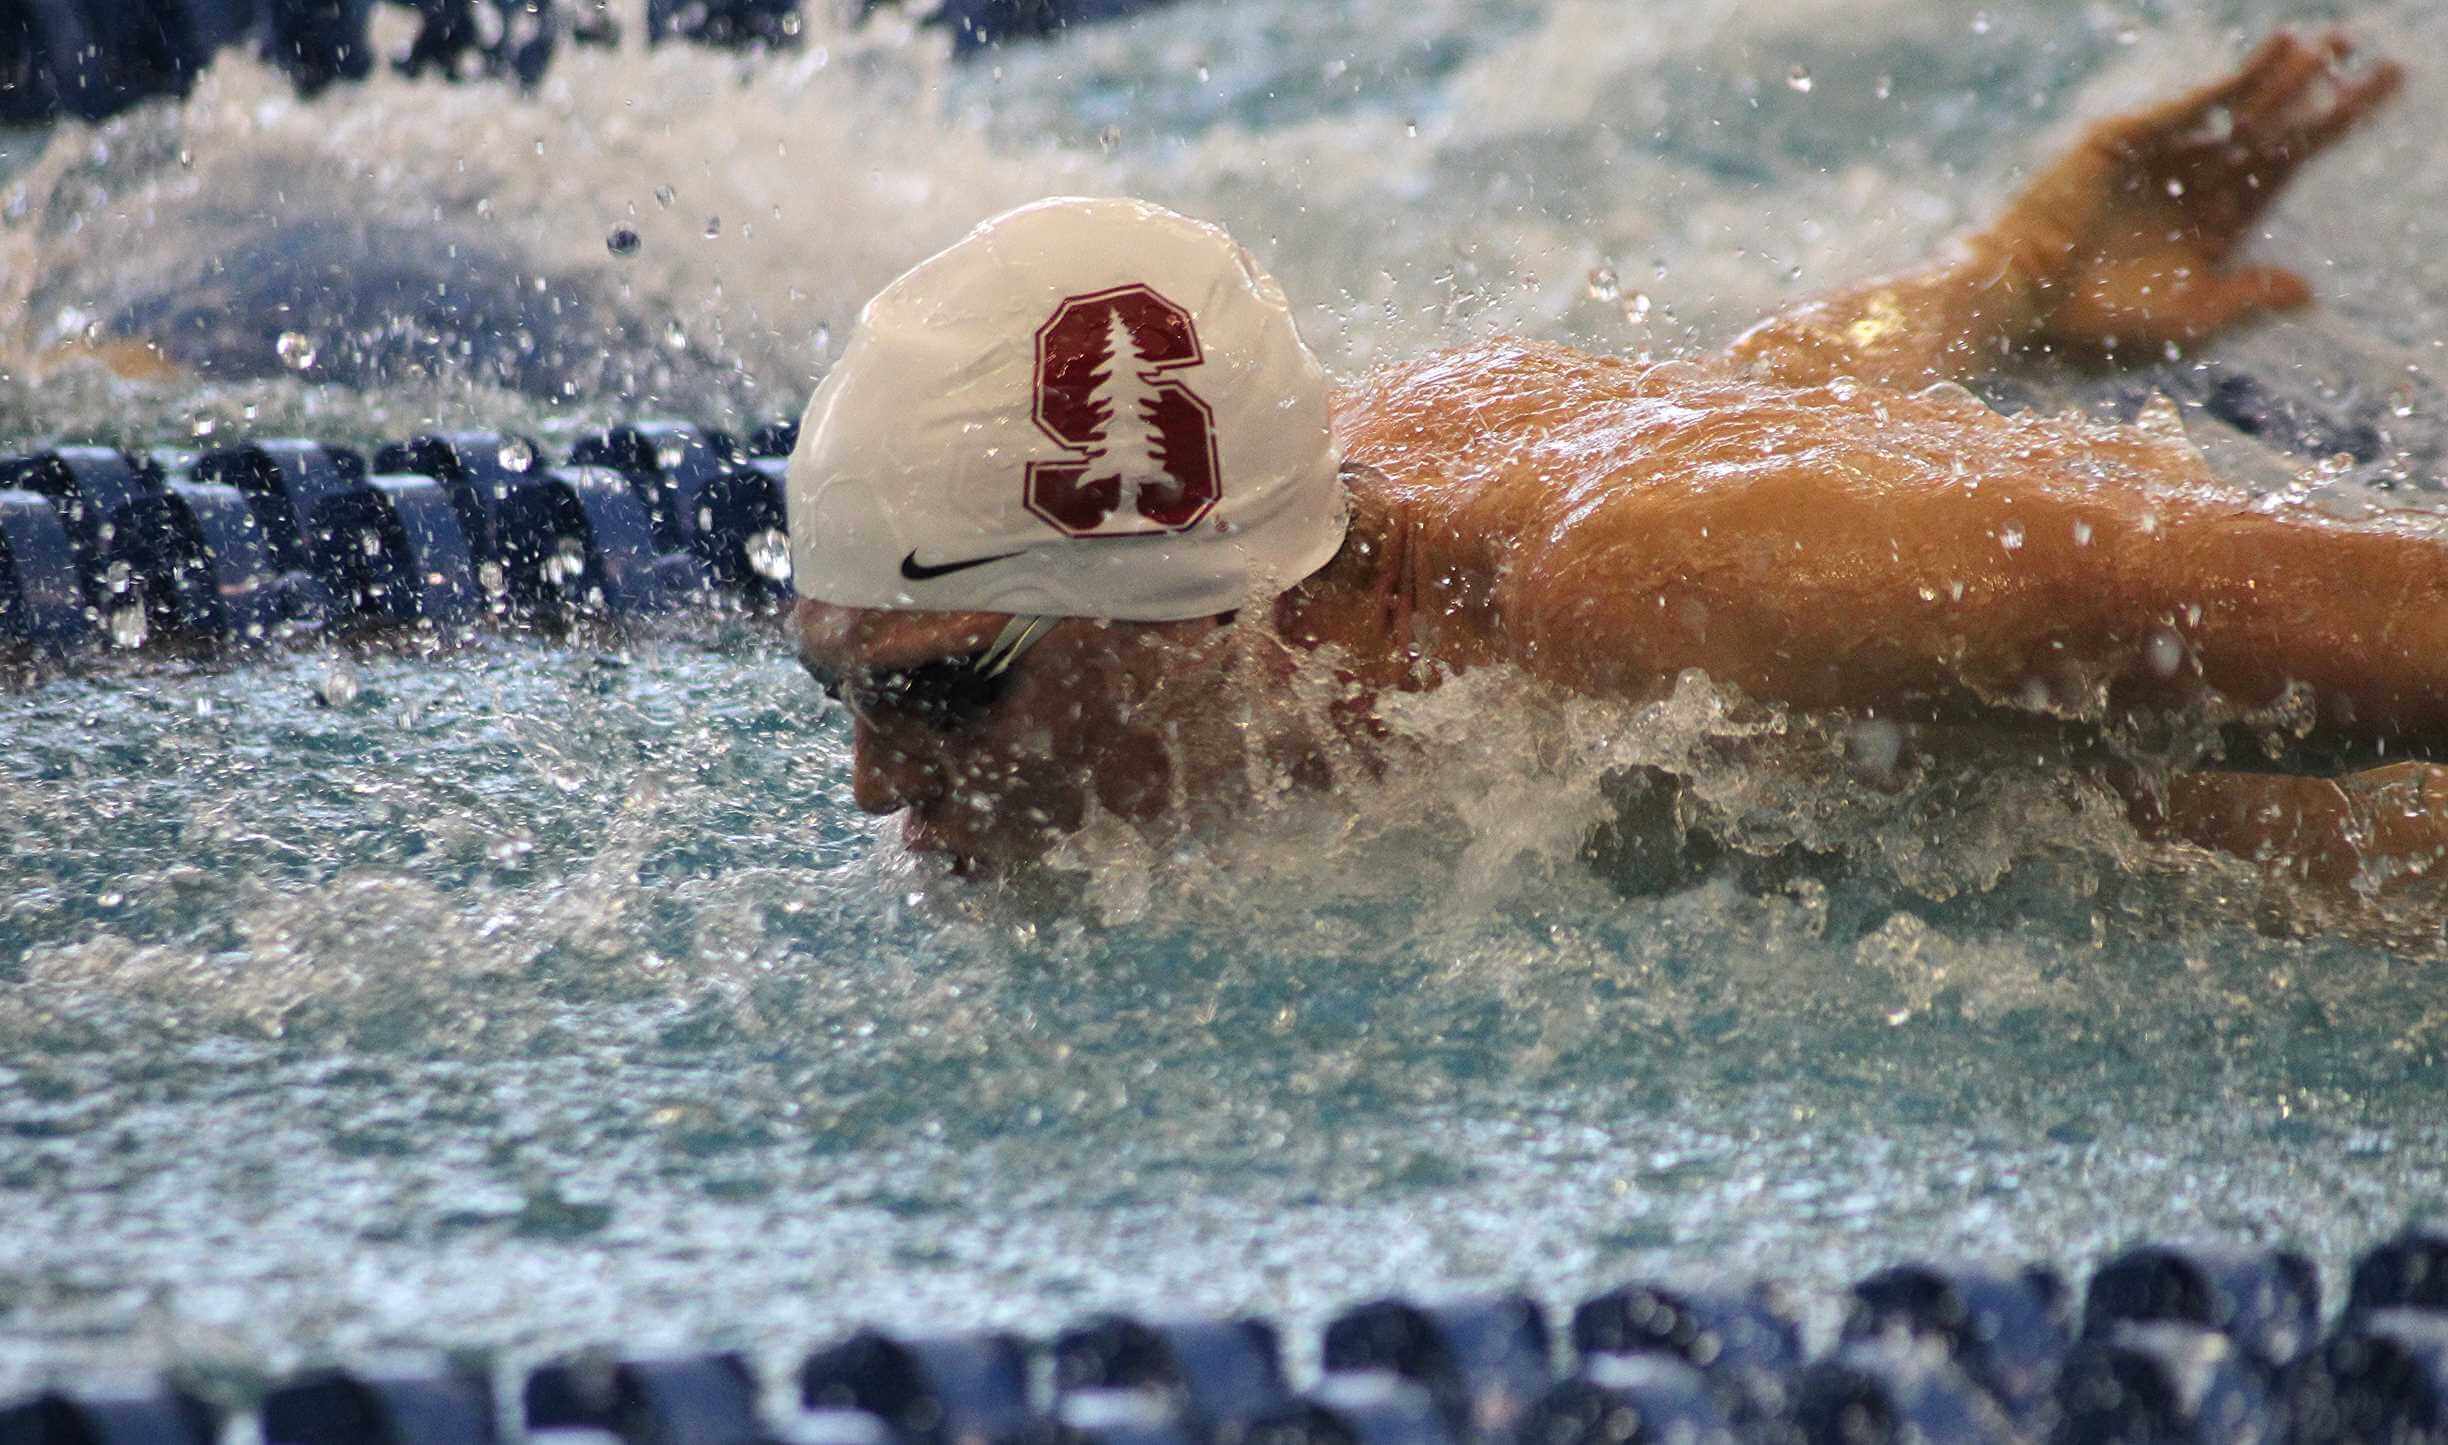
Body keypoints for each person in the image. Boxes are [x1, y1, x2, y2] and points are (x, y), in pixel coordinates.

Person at [791, 28, 2435, 904]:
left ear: (1177, 608)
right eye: (842, 690)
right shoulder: (1355, 503)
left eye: (935, 694)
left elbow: (2068, 584)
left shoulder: (1653, 598)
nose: (873, 780)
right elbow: (1728, 409)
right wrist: (2002, 281)